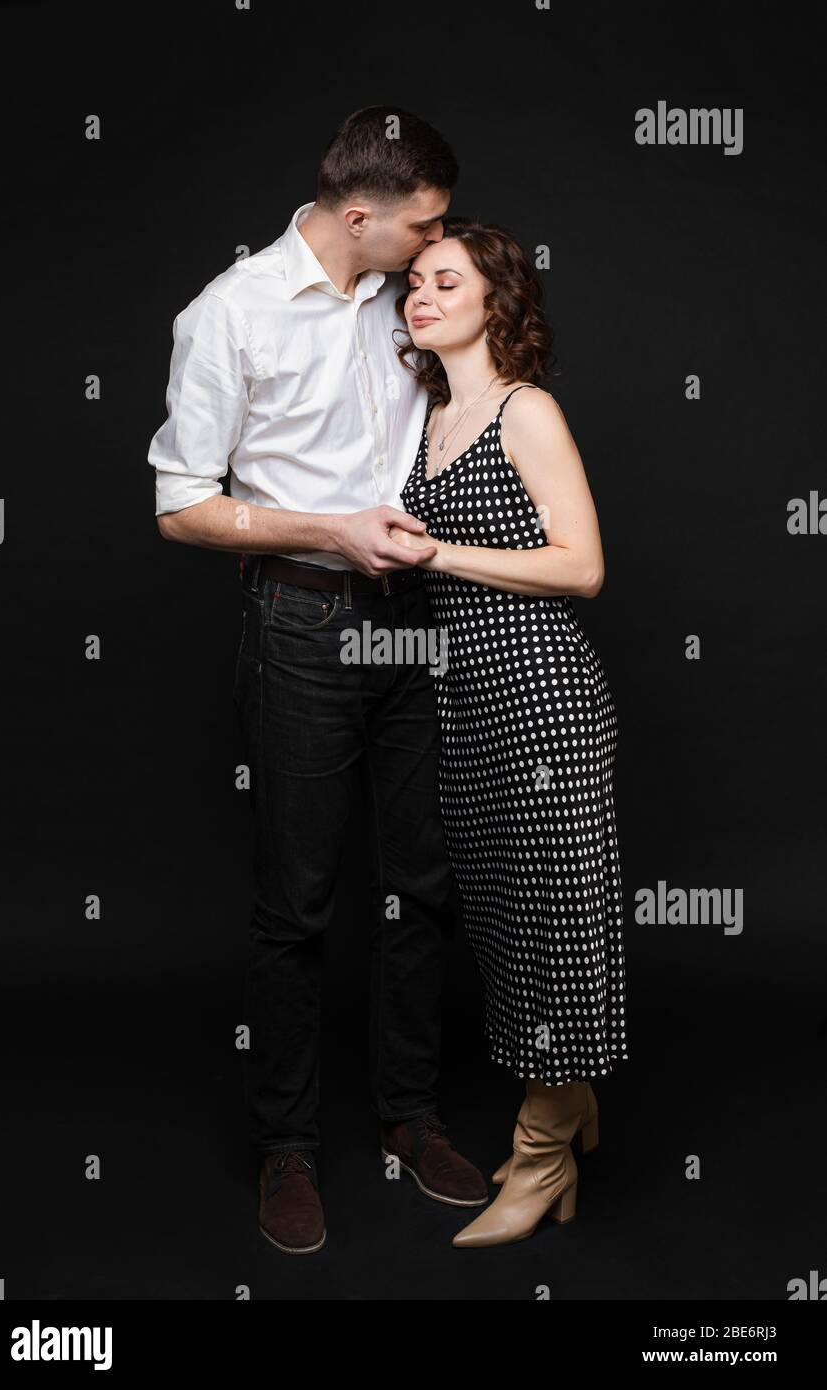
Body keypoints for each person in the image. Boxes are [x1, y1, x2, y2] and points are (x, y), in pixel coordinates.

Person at [147, 107, 489, 1256]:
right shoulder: (226, 315)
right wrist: (329, 532)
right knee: (294, 904)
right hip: (299, 620)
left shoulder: (415, 293)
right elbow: (182, 503)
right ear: (358, 217)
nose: (441, 244)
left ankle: (406, 1114)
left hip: (419, 616)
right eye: (424, 226)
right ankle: (286, 1146)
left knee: (423, 883)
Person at [391, 217, 630, 1247]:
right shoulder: (426, 416)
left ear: (497, 301)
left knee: (548, 926)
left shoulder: (523, 410)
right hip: (466, 701)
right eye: (411, 280)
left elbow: (580, 567)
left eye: (446, 279)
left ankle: (541, 1150)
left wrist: (436, 554)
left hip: (541, 696)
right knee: (496, 922)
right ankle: (569, 1105)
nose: (420, 292)